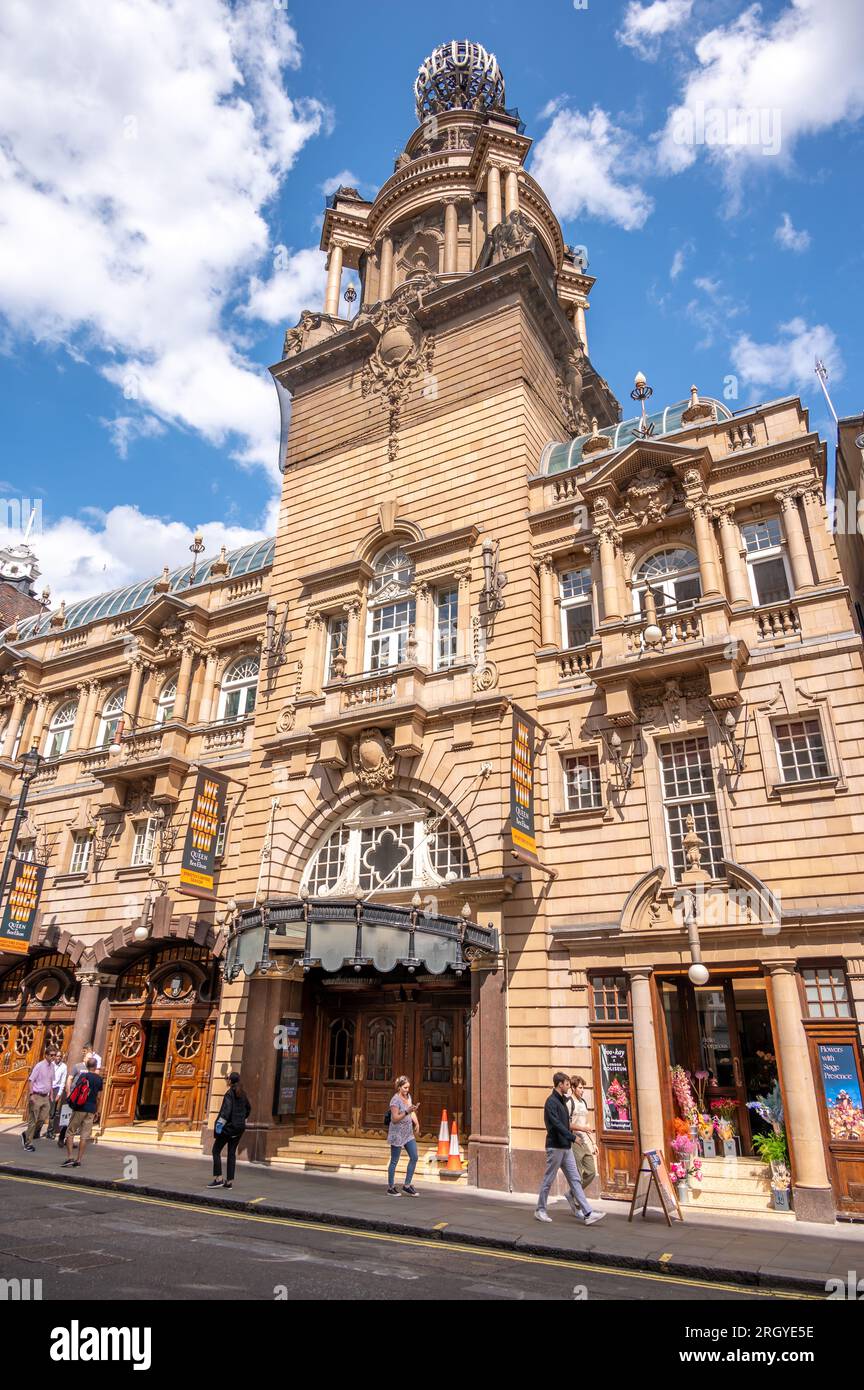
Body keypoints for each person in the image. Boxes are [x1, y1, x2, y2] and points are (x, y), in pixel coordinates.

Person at [535, 1072, 604, 1225]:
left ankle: (587, 1213)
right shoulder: (551, 1102)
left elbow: (566, 1123)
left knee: (575, 1179)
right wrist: (573, 1137)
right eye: (567, 1084)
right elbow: (557, 1125)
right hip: (555, 1147)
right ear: (560, 1084)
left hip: (566, 1147)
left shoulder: (562, 1101)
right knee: (549, 1179)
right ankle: (540, 1210)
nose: (568, 1087)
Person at [209, 1072, 251, 1189]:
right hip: (239, 1128)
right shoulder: (243, 1093)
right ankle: (229, 1182)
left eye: (227, 1078)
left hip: (229, 1128)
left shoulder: (229, 1094)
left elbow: (225, 1113)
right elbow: (248, 1108)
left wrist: (218, 1127)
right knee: (231, 1153)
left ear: (230, 1081)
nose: (226, 1080)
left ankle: (218, 1179)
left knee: (216, 1151)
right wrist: (241, 1119)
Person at [63, 1056, 103, 1167]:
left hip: (80, 1107)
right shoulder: (99, 1079)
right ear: (95, 1067)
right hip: (91, 1109)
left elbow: (77, 1089)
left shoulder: (83, 1076)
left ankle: (70, 1157)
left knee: (70, 1132)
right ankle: (79, 1159)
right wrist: (97, 1110)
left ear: (87, 1066)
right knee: (84, 1136)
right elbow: (98, 1097)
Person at [386, 1075, 419, 1197]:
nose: (407, 1090)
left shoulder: (408, 1097)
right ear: (399, 1087)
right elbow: (394, 1119)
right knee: (394, 1160)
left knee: (414, 1157)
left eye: (408, 1087)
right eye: (405, 1087)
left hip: (408, 1133)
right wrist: (407, 1112)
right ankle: (390, 1187)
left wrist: (416, 1122)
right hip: (397, 1133)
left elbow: (411, 1111)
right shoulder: (395, 1100)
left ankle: (407, 1185)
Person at [21, 1047, 57, 1151]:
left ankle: (26, 1133)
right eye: (51, 1055)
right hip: (36, 1095)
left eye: (54, 1055)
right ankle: (28, 1143)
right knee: (33, 1119)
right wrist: (31, 1094)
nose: (53, 1057)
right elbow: (31, 1080)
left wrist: (51, 1093)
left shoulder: (52, 1067)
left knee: (42, 1119)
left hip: (45, 1097)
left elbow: (50, 1081)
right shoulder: (39, 1066)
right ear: (46, 1055)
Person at [567, 1076, 598, 1189]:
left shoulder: (583, 1102)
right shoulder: (569, 1102)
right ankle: (576, 1201)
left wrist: (594, 1143)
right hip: (574, 1141)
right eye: (580, 1087)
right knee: (578, 1173)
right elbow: (566, 1124)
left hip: (584, 1141)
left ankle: (572, 1194)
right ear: (573, 1088)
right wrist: (581, 1128)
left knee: (591, 1172)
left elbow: (587, 1124)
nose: (582, 1090)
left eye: (583, 1088)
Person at [45, 1050, 68, 1140]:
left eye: (60, 1056)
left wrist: (59, 1093)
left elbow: (63, 1081)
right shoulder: (50, 1064)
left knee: (52, 1112)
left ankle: (50, 1131)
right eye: (57, 1056)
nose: (58, 1058)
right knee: (42, 1110)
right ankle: (37, 1130)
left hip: (56, 1089)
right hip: (47, 1087)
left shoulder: (64, 1066)